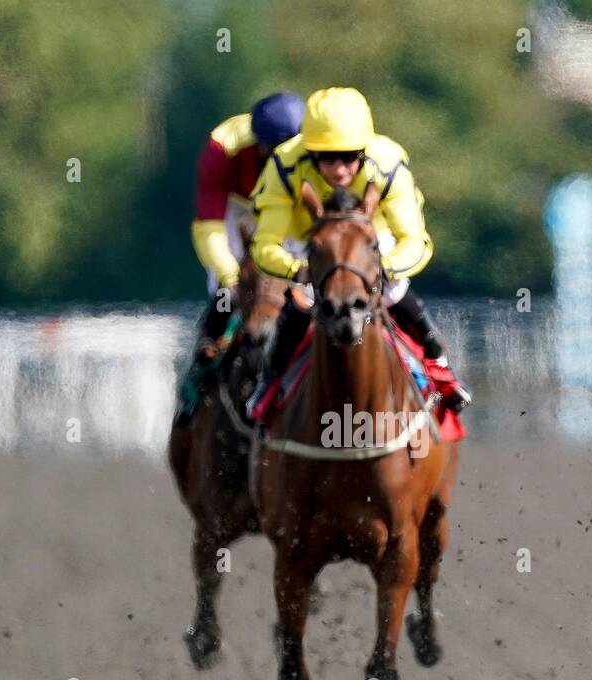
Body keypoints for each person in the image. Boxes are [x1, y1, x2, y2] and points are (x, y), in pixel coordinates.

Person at [245, 87, 471, 419]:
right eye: (327, 157)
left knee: (394, 290)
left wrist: (386, 268)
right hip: (307, 238)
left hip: (369, 235)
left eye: (349, 157)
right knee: (302, 299)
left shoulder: (389, 163)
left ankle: (440, 367)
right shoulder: (283, 166)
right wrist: (297, 270)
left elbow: (415, 240)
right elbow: (264, 245)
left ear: (364, 150)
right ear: (309, 153)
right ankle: (270, 381)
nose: (339, 170)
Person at [174, 92, 305, 427]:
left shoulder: (314, 152)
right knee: (226, 291)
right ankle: (200, 372)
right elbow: (209, 227)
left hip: (289, 206)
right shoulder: (223, 149)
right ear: (257, 143)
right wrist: (230, 277)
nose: (280, 160)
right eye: (272, 152)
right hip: (237, 206)